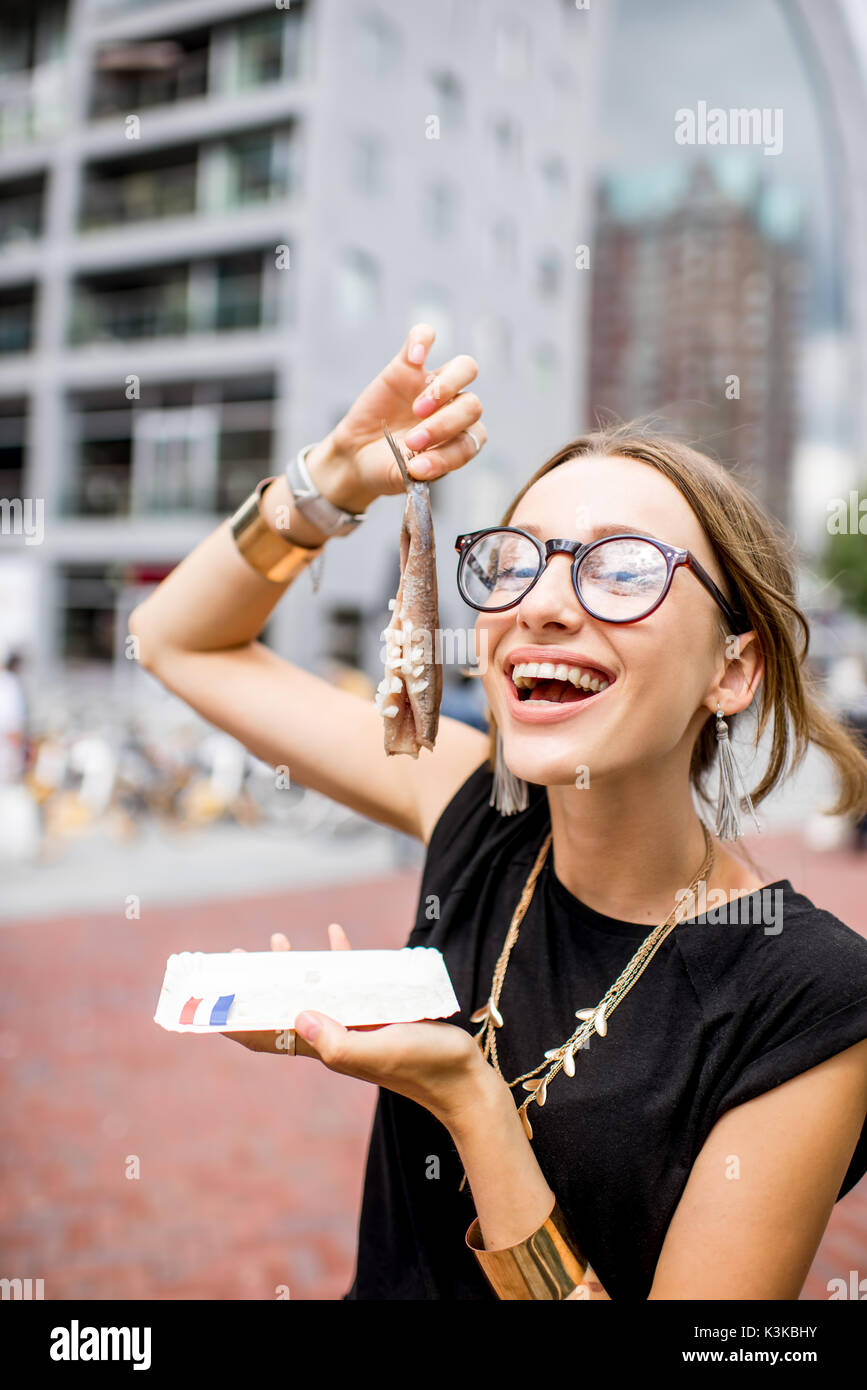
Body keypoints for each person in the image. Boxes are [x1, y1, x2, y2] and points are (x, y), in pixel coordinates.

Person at [129, 324, 867, 1301]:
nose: (541, 604)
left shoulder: (812, 996)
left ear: (732, 669)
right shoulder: (474, 804)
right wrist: (333, 483)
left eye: (620, 568)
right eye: (515, 561)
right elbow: (177, 642)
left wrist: (468, 1101)